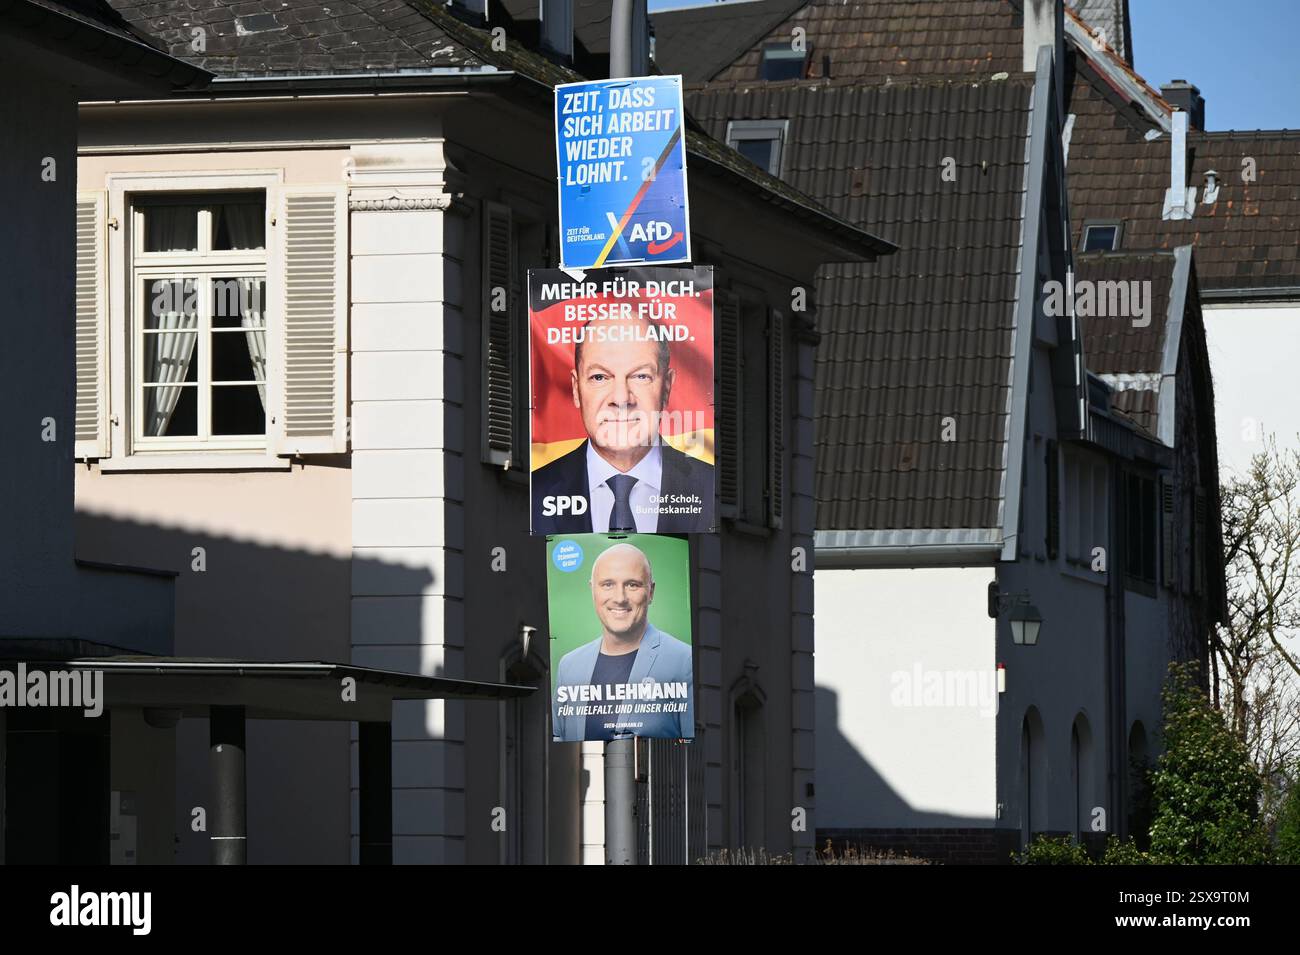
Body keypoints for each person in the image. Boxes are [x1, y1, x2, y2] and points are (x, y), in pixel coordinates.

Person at [531, 315, 714, 534]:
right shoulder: (535, 491)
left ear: (667, 387)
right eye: (599, 377)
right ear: (575, 388)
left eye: (640, 376)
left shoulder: (710, 487)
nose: (621, 398)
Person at [552, 543, 694, 742]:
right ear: (593, 590)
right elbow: (560, 741)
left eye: (632, 584)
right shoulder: (569, 666)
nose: (620, 598)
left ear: (651, 592)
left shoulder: (685, 661)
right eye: (608, 584)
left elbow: (695, 750)